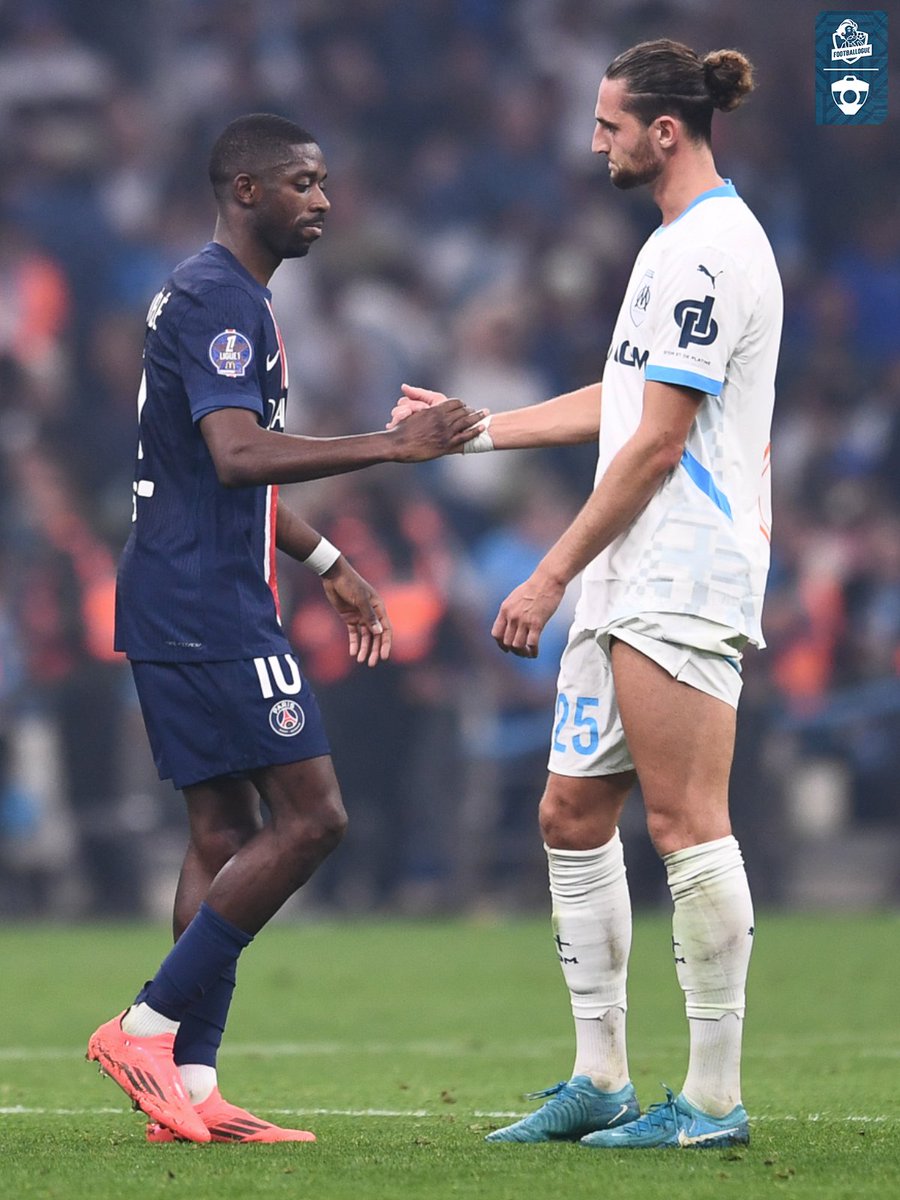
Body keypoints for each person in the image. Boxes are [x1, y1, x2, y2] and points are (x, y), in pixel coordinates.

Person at [391, 40, 781, 1149]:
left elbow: (659, 445)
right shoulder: (668, 246)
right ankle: (600, 1079)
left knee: (685, 822)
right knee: (570, 813)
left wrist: (550, 570)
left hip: (683, 566)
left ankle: (710, 1103)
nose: (594, 141)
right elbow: (622, 403)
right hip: (629, 566)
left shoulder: (711, 249)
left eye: (609, 125)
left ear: (666, 131)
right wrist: (474, 431)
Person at [86, 113, 484, 1145]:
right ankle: (146, 1027)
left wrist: (328, 562)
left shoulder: (210, 291)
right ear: (247, 190)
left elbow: (212, 467)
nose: (323, 200)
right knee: (315, 818)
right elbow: (234, 455)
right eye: (304, 182)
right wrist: (394, 449)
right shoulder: (224, 298)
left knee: (221, 834)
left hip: (180, 589)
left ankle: (191, 1087)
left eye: (325, 182)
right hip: (209, 602)